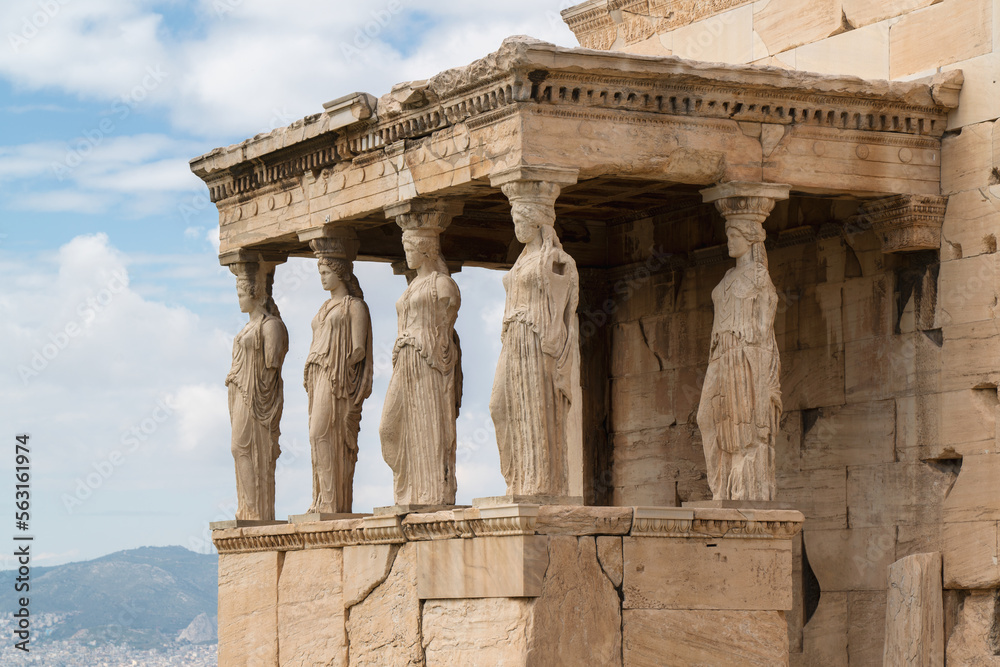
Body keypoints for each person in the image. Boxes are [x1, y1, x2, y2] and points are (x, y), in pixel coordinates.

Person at [490, 198, 578, 497]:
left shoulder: (555, 260)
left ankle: (541, 483)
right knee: (499, 406)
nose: (517, 227)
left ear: (539, 222)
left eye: (521, 220)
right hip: (514, 338)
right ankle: (517, 479)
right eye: (514, 221)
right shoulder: (521, 261)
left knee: (537, 408)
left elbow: (564, 306)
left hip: (538, 338)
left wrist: (554, 343)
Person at [697, 219, 782, 501]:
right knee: (705, 417)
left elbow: (764, 324)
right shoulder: (726, 277)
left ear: (749, 239)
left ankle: (742, 489)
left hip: (745, 357)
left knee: (743, 425)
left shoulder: (759, 277)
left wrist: (748, 339)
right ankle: (720, 485)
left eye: (734, 235)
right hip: (721, 355)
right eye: (728, 235)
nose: (729, 241)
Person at [380, 230, 462, 505]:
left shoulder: (443, 286)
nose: (406, 254)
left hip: (428, 361)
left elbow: (446, 330)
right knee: (388, 429)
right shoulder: (411, 287)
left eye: (410, 248)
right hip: (404, 359)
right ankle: (410, 489)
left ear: (426, 249)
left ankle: (432, 492)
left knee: (429, 425)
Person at [304, 255, 373, 514]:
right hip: (317, 375)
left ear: (340, 273)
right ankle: (320, 499)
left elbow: (358, 349)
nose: (322, 277)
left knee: (321, 433)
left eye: (325, 272)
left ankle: (332, 502)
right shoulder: (323, 307)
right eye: (319, 272)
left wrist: (339, 365)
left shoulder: (354, 306)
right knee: (316, 437)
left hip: (337, 379)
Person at [226, 263, 288, 521]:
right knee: (239, 449)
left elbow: (272, 366)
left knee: (245, 448)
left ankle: (257, 510)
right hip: (240, 393)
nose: (239, 301)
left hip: (256, 398)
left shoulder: (270, 325)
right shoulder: (247, 328)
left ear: (254, 294)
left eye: (242, 295)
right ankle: (247, 507)